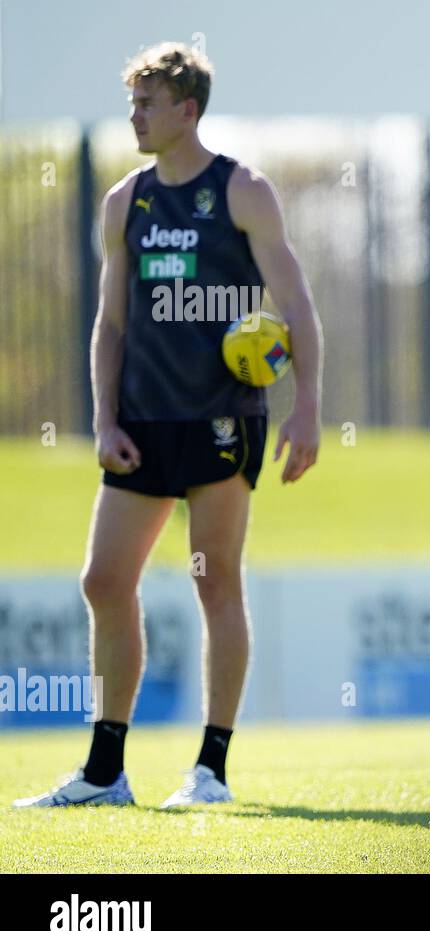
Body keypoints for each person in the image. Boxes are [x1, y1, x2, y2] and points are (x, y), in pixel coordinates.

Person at [15, 41, 323, 808]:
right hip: (143, 423)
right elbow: (111, 324)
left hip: (222, 419)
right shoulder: (125, 201)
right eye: (133, 102)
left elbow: (295, 302)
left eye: (148, 103)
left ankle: (210, 769)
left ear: (188, 110)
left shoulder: (242, 190)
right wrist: (103, 416)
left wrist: (308, 406)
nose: (135, 115)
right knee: (104, 579)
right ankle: (104, 771)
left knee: (214, 581)